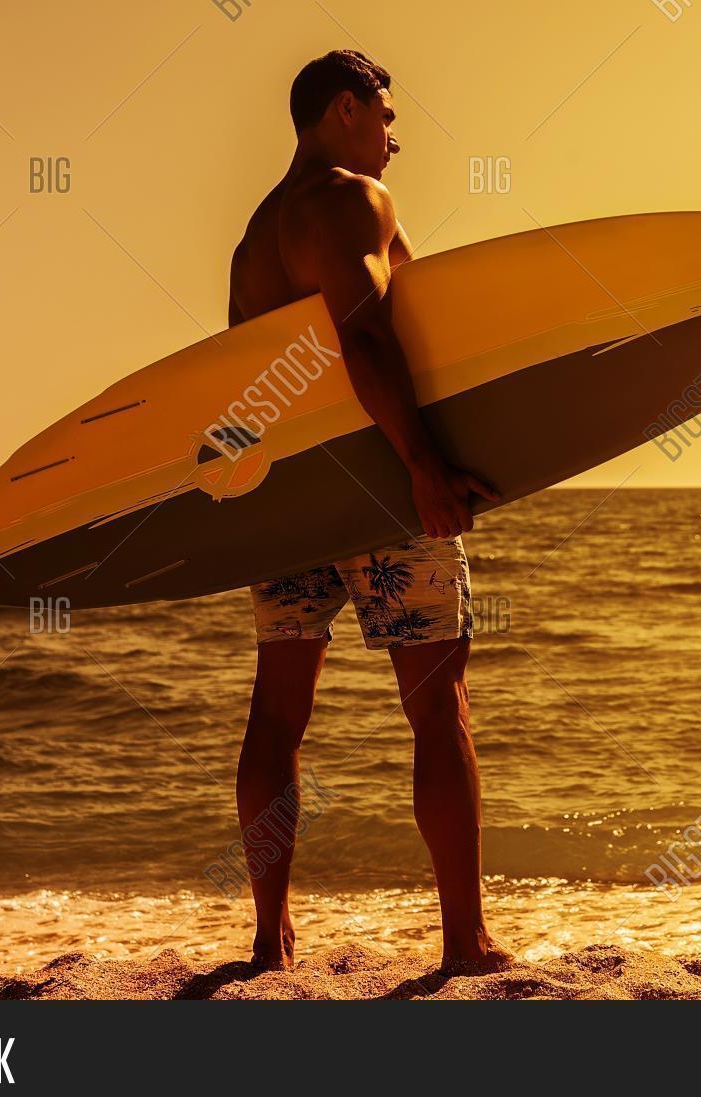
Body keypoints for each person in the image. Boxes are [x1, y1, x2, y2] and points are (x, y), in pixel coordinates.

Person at [226, 49, 510, 974]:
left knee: (276, 719)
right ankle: (464, 943)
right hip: (382, 486)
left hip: (289, 505)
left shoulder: (254, 239)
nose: (396, 133)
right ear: (344, 110)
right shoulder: (351, 199)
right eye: (386, 113)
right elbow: (368, 334)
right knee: (440, 711)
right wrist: (425, 466)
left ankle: (270, 941)